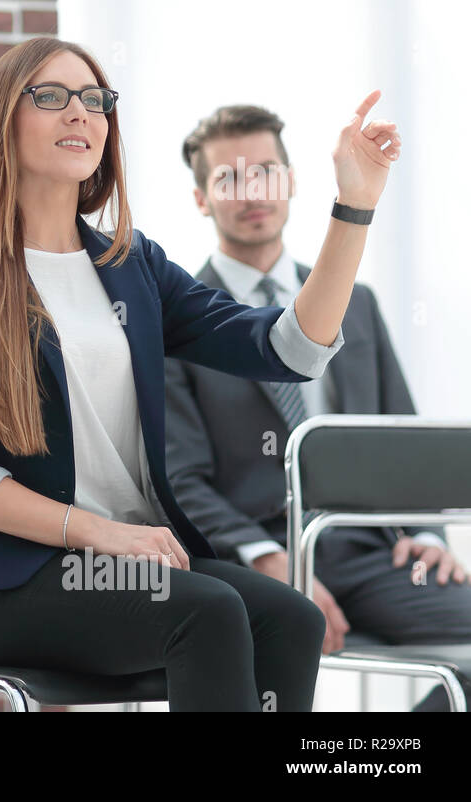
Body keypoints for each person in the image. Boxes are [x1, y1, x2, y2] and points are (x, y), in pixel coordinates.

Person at [0, 36, 403, 711]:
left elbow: (290, 350)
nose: (80, 113)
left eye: (94, 99)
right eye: (51, 96)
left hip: (139, 563)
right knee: (210, 612)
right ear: (2, 123)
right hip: (10, 580)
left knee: (292, 618)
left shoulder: (132, 265)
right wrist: (98, 530)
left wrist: (353, 208)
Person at [164, 103, 470, 710]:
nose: (254, 192)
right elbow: (180, 477)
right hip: (252, 559)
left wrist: (429, 533)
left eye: (269, 173)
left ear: (295, 180)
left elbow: (402, 442)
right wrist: (270, 557)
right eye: (229, 178)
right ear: (201, 198)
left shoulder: (356, 304)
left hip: (367, 551)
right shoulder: (179, 316)